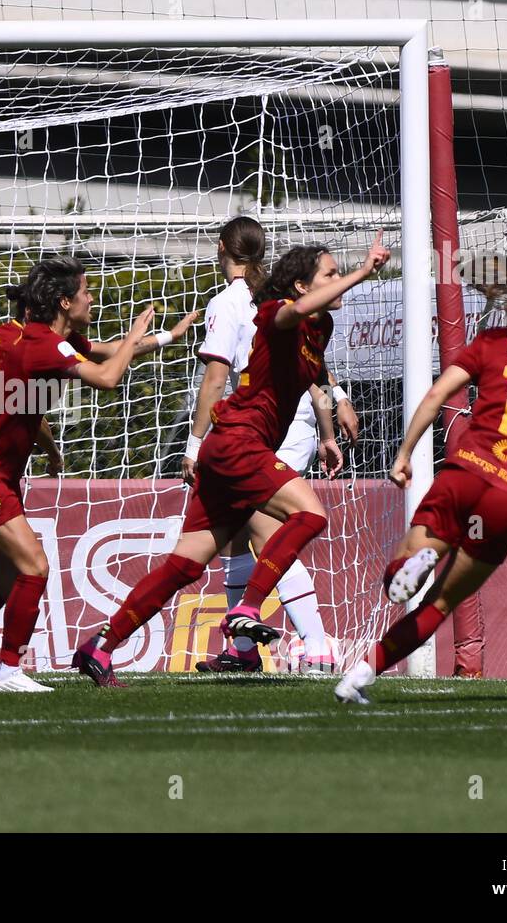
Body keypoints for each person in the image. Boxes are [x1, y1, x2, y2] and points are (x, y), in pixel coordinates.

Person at [74, 237, 391, 687]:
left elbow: (312, 369)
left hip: (232, 450)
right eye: (330, 275)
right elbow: (289, 316)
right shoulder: (275, 313)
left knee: (184, 566)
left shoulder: (323, 328)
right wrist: (363, 271)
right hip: (239, 441)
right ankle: (249, 610)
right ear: (300, 286)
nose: (338, 280)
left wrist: (335, 401)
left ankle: (101, 646)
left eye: (340, 273)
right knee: (309, 514)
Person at [0, 286, 197, 690]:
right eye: (84, 292)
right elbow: (99, 375)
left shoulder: (53, 341)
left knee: (9, 577)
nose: (91, 299)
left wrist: (168, 337)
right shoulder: (22, 342)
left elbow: (88, 364)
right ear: (54, 303)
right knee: (6, 565)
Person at [335, 272, 507, 703]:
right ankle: (361, 675)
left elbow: (435, 397)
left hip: (465, 475)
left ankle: (416, 562)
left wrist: (405, 453)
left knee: (404, 566)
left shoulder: (490, 344)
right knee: (442, 602)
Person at [183, 217, 358, 675]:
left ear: (220, 247)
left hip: (257, 428)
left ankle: (317, 646)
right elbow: (311, 363)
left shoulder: (228, 303)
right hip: (275, 421)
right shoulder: (271, 300)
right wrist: (329, 422)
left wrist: (194, 443)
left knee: (263, 531)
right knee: (240, 537)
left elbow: (216, 378)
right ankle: (243, 649)